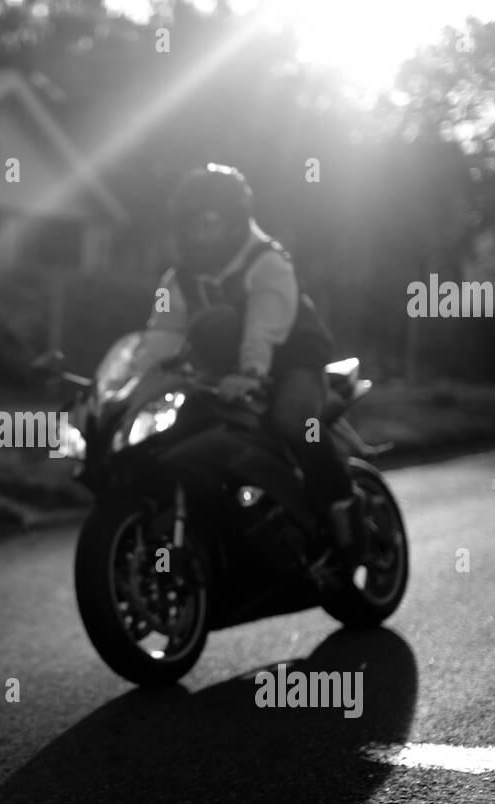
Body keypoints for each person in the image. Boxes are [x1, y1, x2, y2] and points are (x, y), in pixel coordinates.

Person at [145, 163, 365, 567]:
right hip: (225, 373)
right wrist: (135, 384)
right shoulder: (177, 280)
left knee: (294, 420)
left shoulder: (267, 262)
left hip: (292, 359)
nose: (200, 233)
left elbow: (263, 328)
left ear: (233, 222)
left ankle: (343, 511)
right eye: (192, 223)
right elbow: (162, 334)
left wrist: (249, 374)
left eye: (209, 222)